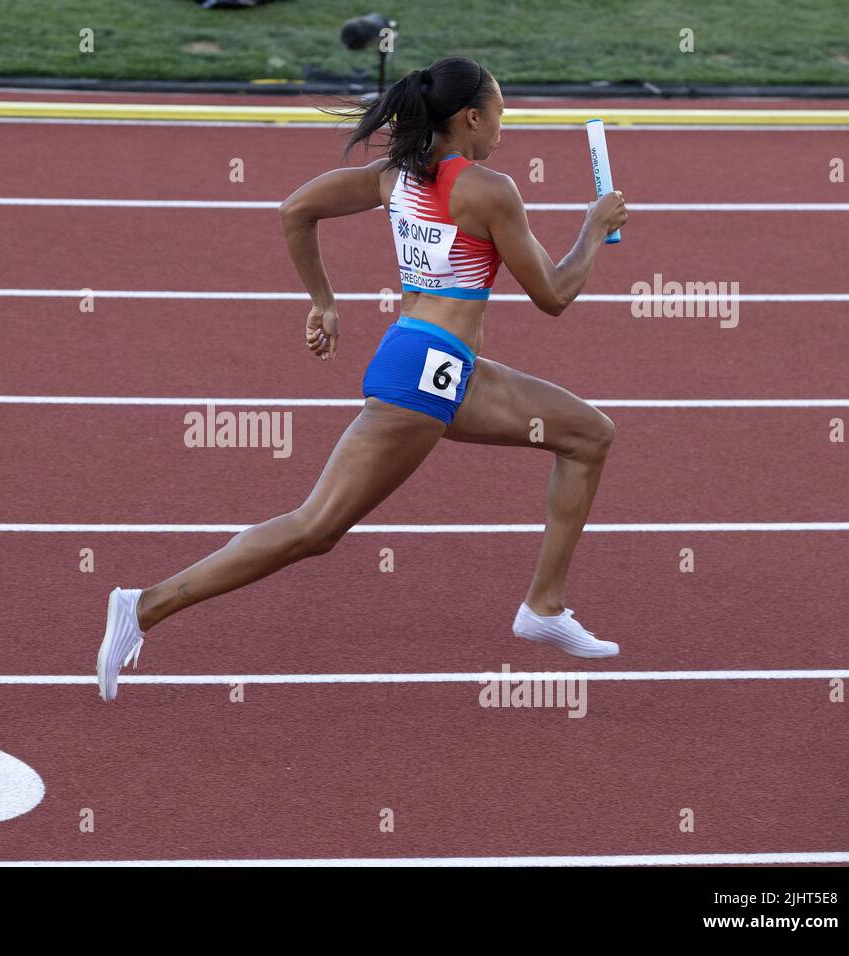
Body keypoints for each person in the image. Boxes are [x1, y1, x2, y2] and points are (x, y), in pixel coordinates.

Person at [97, 56, 629, 701]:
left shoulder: (393, 178)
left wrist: (323, 300)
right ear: (469, 118)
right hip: (422, 379)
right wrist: (595, 229)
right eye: (499, 116)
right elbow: (554, 294)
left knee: (587, 435)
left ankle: (542, 609)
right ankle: (143, 604)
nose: (501, 131)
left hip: (443, 367)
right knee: (314, 528)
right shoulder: (490, 190)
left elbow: (296, 209)